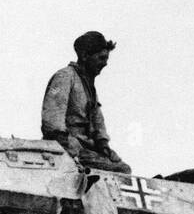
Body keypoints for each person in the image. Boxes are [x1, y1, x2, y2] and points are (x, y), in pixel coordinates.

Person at [42, 30, 133, 174]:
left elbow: (97, 120)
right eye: (101, 58)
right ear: (85, 56)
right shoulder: (65, 77)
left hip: (87, 149)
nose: (105, 63)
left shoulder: (89, 87)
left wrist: (103, 145)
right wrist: (66, 144)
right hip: (68, 147)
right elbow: (53, 119)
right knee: (121, 171)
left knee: (122, 167)